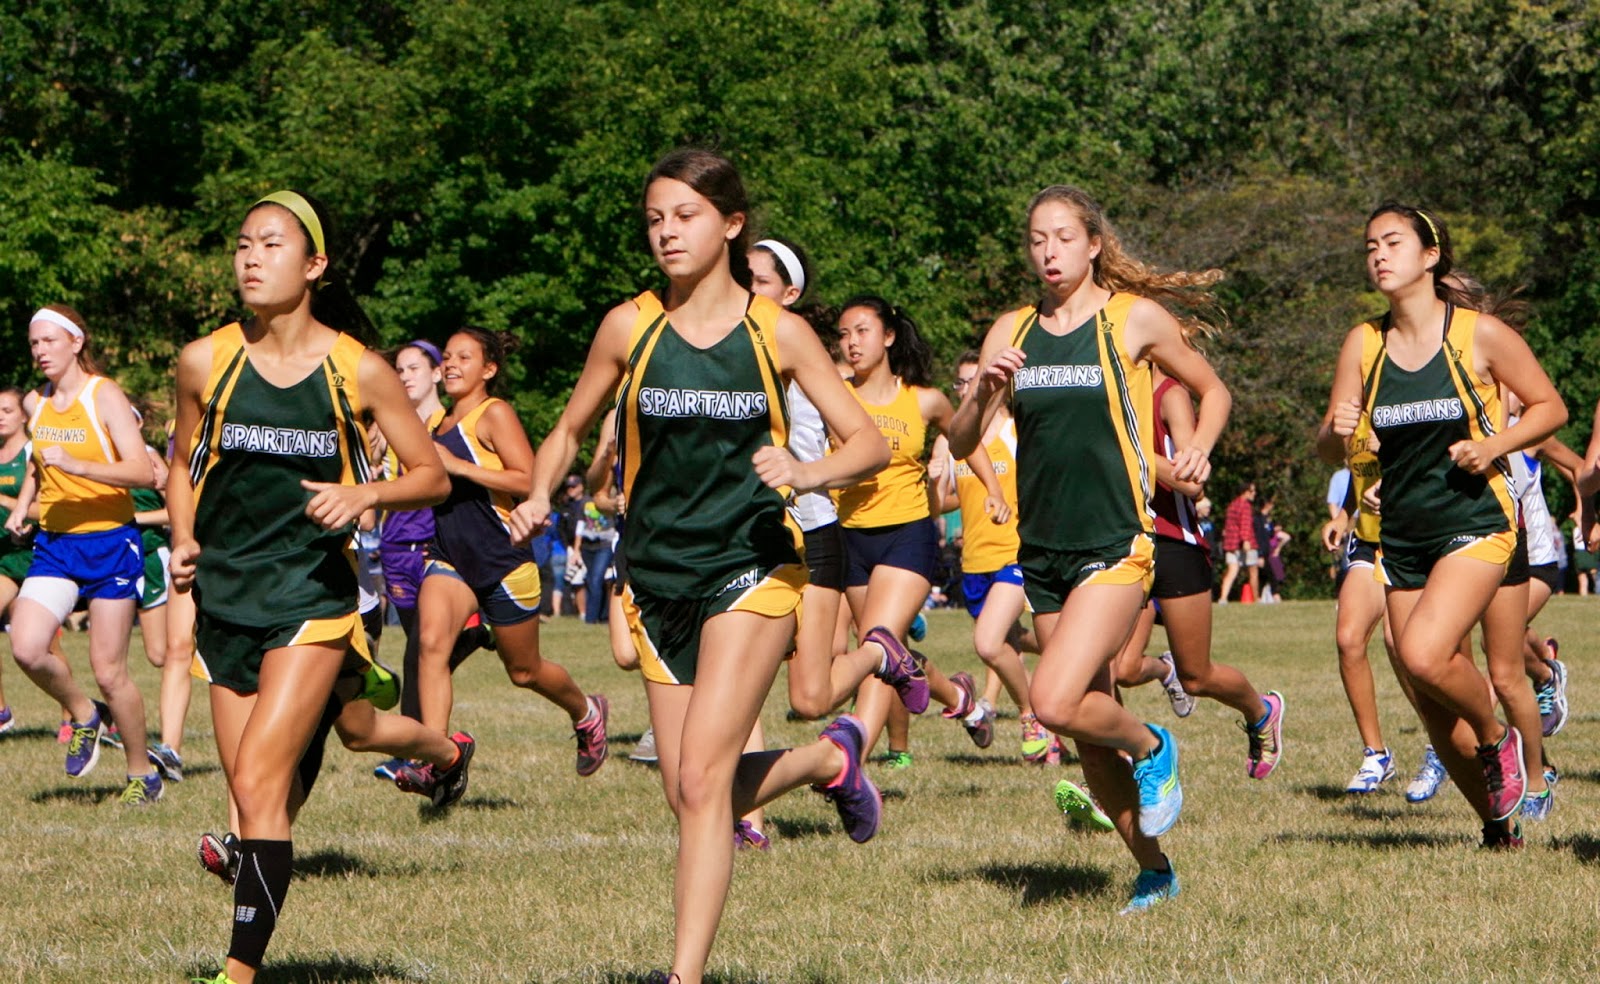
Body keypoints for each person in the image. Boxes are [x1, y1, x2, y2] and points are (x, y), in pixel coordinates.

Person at [511, 148, 891, 984]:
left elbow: (869, 440)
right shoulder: (629, 325)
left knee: (701, 776)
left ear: (730, 223)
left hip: (752, 568)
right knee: (689, 796)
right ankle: (830, 760)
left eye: (684, 216)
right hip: (656, 574)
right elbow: (570, 427)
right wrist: (542, 490)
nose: (666, 234)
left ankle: (681, 978)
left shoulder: (778, 331)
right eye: (654, 220)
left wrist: (806, 470)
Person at [166, 189, 450, 984]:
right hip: (223, 596)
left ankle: (237, 972)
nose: (250, 258)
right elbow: (181, 467)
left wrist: (364, 495)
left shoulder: (357, 368)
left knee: (260, 778)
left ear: (315, 264)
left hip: (311, 596)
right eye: (242, 244)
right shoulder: (202, 360)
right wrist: (183, 538)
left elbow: (429, 476)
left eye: (272, 244)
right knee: (255, 799)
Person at [951, 184, 1233, 914]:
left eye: (1062, 238)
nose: (1048, 252)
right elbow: (956, 441)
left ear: (1093, 243)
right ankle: (1154, 867)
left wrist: (1197, 447)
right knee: (1087, 732)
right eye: (1037, 240)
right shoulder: (1011, 331)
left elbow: (1213, 389)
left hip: (1116, 543)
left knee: (1052, 701)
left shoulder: (1131, 319)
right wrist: (984, 391)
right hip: (1041, 549)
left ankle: (1155, 745)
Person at [1317, 201, 1564, 848]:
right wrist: (1334, 433)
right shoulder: (1363, 343)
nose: (1377, 254)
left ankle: (1495, 737)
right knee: (1431, 701)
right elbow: (1330, 448)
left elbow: (1549, 407)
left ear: (1430, 256)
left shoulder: (1477, 334)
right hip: (1400, 537)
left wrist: (1493, 447)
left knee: (1423, 654)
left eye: (1392, 242)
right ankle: (1496, 822)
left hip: (1478, 522)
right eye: (1370, 245)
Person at [411, 326, 609, 773]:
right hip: (450, 556)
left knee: (524, 671)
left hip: (503, 558)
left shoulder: (493, 413)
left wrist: (460, 466)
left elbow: (528, 479)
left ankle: (587, 712)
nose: (452, 364)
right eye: (447, 356)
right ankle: (437, 758)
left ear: (489, 369)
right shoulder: (431, 425)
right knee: (430, 645)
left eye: (465, 357)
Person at [834, 296, 1007, 757]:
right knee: (889, 652)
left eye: (862, 331)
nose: (852, 342)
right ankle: (962, 700)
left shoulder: (924, 399)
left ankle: (852, 761)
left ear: (888, 336)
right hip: (850, 535)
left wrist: (993, 488)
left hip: (906, 534)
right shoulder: (833, 392)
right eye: (844, 334)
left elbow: (966, 439)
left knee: (877, 645)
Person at [4, 306, 159, 804]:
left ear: (75, 341)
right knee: (26, 647)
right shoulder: (37, 402)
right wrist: (24, 506)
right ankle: (84, 712)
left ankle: (143, 774)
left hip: (111, 542)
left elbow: (143, 473)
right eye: (34, 344)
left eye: (49, 341)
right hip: (54, 544)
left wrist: (79, 464)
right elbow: (38, 464)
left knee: (111, 671)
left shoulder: (104, 394)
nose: (40, 351)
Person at [931, 351, 1052, 761]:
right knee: (1010, 640)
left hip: (1017, 553)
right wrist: (932, 485)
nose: (965, 390)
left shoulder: (1021, 432)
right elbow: (942, 504)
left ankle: (1030, 715)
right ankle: (1068, 653)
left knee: (988, 642)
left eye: (972, 381)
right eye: (960, 384)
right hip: (975, 561)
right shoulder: (952, 441)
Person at [0, 383, 76, 738]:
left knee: (45, 644)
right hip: (3, 559)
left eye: (7, 411)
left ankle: (71, 714)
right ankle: (1, 712)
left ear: (25, 417)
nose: (0, 418)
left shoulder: (36, 454)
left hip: (33, 555)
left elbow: (47, 508)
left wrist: (6, 502)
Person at [1217, 481, 1258, 603]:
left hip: (1231, 544)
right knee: (1253, 571)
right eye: (1252, 491)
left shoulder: (1232, 505)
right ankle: (1256, 598)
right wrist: (1245, 540)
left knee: (1232, 571)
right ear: (1245, 492)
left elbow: (1229, 526)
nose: (1254, 494)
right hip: (1245, 542)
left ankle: (1223, 598)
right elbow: (1245, 524)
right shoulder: (1245, 506)